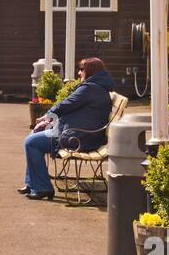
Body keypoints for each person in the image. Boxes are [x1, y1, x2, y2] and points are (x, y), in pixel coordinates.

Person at [20, 57, 117, 200]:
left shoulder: (90, 88)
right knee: (33, 135)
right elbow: (70, 105)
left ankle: (43, 188)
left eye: (82, 69)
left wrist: (48, 117)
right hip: (82, 134)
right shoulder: (96, 86)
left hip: (78, 138)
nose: (79, 73)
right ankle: (31, 183)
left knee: (31, 143)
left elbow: (66, 104)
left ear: (90, 71)